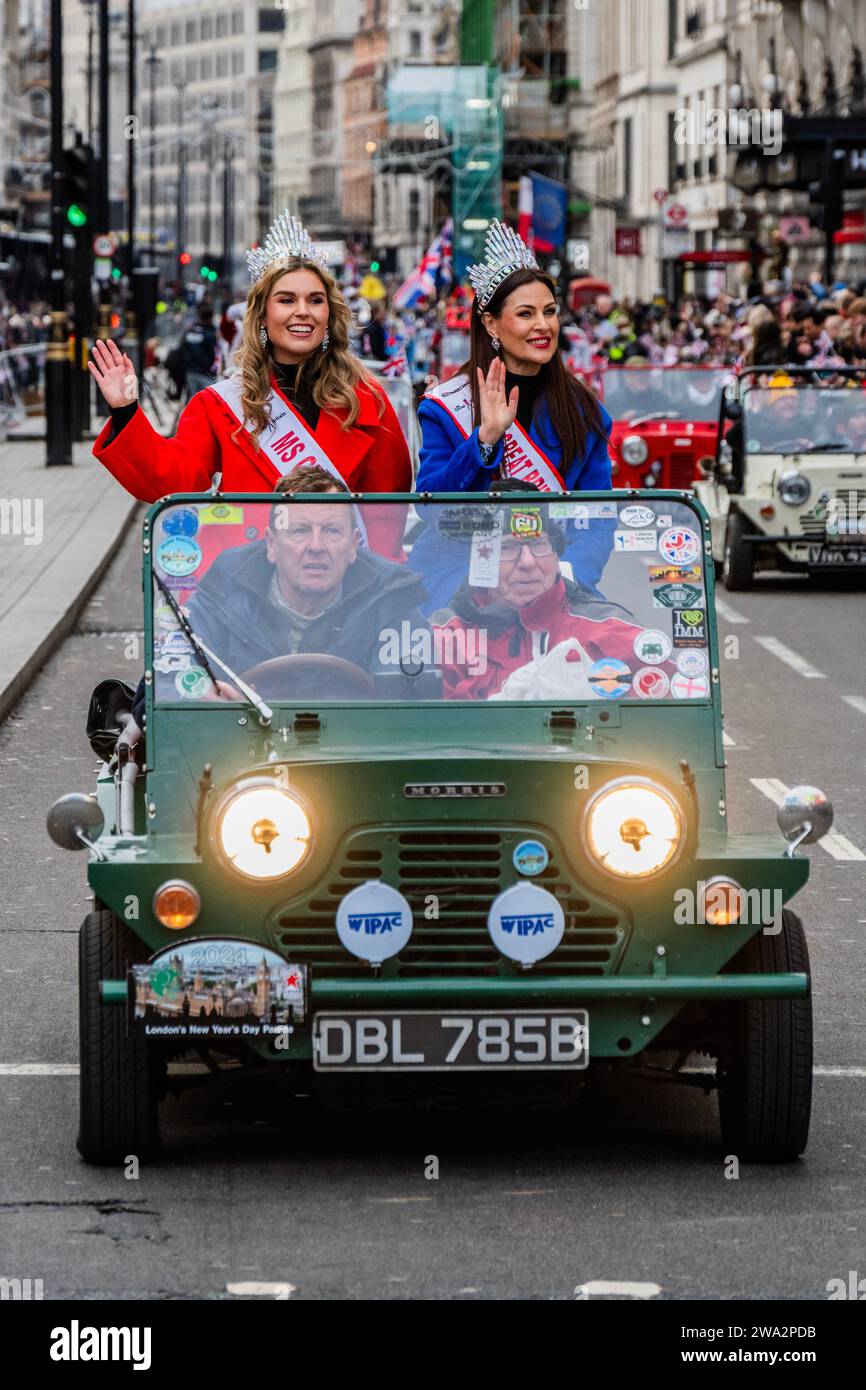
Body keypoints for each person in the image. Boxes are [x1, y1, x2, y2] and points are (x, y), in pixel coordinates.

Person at [88, 210, 412, 561]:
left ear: (329, 316)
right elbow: (174, 483)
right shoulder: (220, 405)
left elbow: (386, 521)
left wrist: (377, 595)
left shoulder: (368, 402)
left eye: (315, 300)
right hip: (247, 592)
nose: (303, 311)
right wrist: (125, 413)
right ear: (262, 316)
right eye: (286, 300)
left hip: (343, 590)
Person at [418, 220, 611, 494]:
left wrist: (554, 538)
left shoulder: (585, 411)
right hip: (471, 538)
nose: (543, 325)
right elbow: (430, 505)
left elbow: (598, 518)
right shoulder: (445, 408)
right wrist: (485, 440)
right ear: (490, 324)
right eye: (525, 314)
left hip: (558, 539)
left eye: (549, 311)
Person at [183, 471, 428, 681]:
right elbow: (174, 680)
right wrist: (202, 694)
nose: (316, 546)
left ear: (354, 545)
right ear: (271, 544)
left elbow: (412, 706)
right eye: (300, 531)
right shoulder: (218, 600)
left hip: (357, 737)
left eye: (332, 531)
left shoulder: (392, 606)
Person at [433, 505, 671, 702]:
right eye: (506, 548)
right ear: (480, 562)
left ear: (557, 556)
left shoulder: (612, 632)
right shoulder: (444, 638)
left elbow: (680, 709)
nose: (527, 562)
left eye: (538, 545)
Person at [179, 303, 220, 397]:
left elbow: (182, 348)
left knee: (193, 401)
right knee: (207, 403)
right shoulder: (210, 334)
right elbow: (215, 354)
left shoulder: (190, 330)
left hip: (190, 371)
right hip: (205, 374)